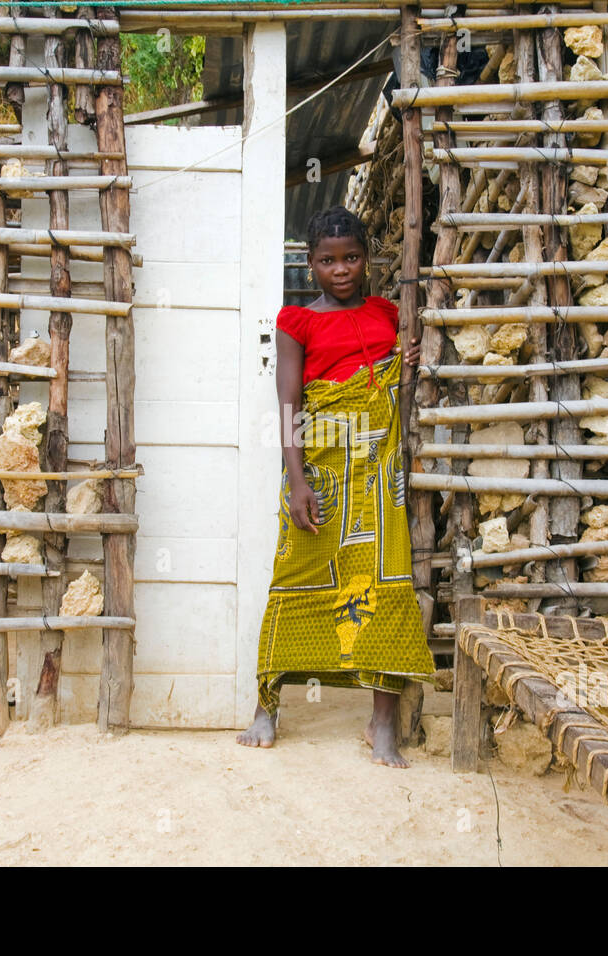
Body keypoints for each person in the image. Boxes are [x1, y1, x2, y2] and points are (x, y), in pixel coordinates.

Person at [237, 206, 435, 768]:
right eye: (328, 260)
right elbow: (289, 404)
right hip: (320, 471)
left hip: (376, 477)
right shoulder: (295, 321)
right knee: (294, 573)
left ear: (366, 259)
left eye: (351, 258)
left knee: (383, 582)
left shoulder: (387, 312)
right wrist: (295, 480)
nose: (341, 270)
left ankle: (382, 722)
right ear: (310, 264)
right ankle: (267, 708)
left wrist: (405, 364)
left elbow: (391, 382)